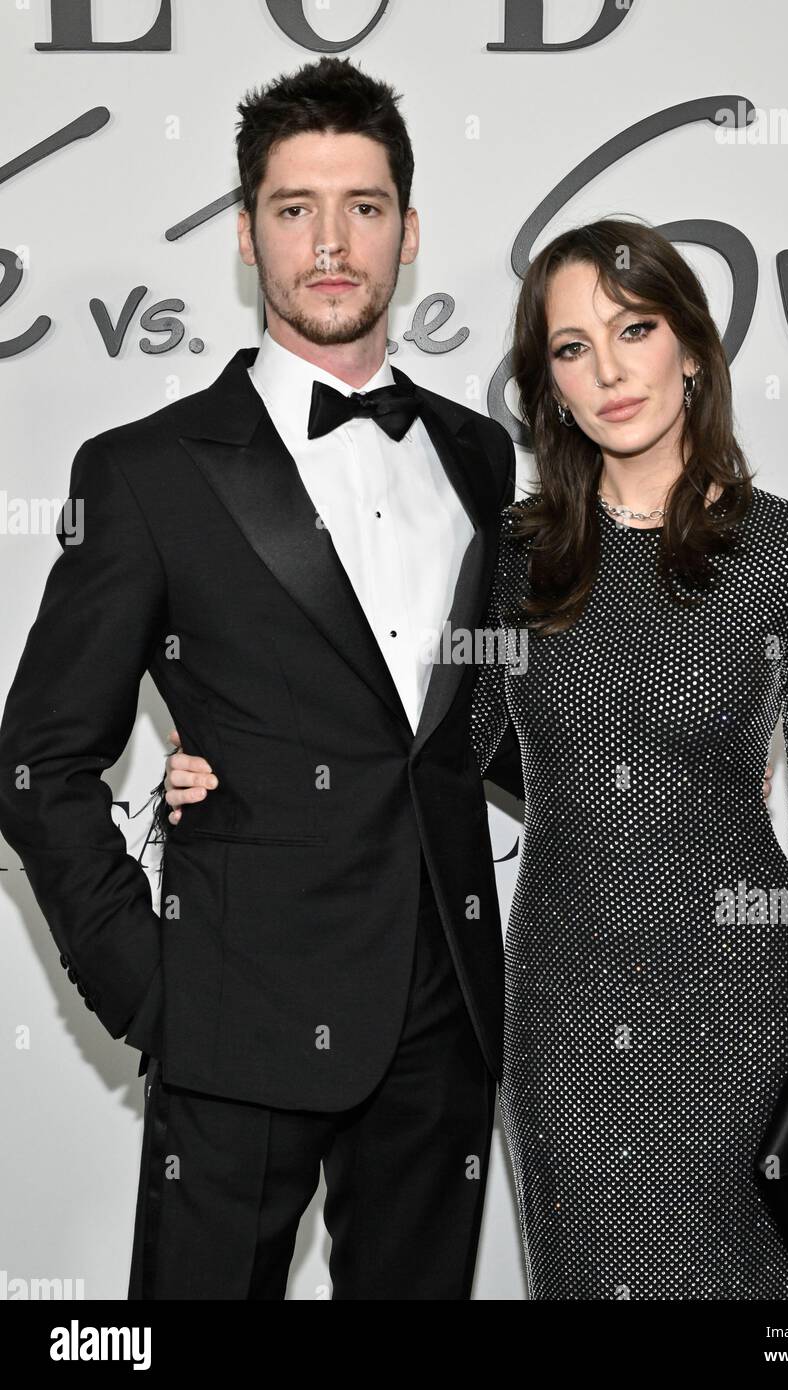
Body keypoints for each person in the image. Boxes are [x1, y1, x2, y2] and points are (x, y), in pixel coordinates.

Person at [167, 218, 788, 1302]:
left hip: (743, 1013)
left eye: (634, 329)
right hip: (561, 1013)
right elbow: (425, 758)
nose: (607, 370)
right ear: (548, 385)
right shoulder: (520, 554)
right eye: (570, 348)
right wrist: (231, 761)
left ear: (692, 348)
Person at [0, 57, 526, 1300]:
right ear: (246, 236)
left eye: (365, 207)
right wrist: (148, 983)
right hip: (231, 1013)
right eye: (296, 209)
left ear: (410, 230)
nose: (332, 243)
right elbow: (38, 758)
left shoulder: (481, 454)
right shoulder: (145, 470)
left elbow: (488, 725)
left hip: (443, 1012)